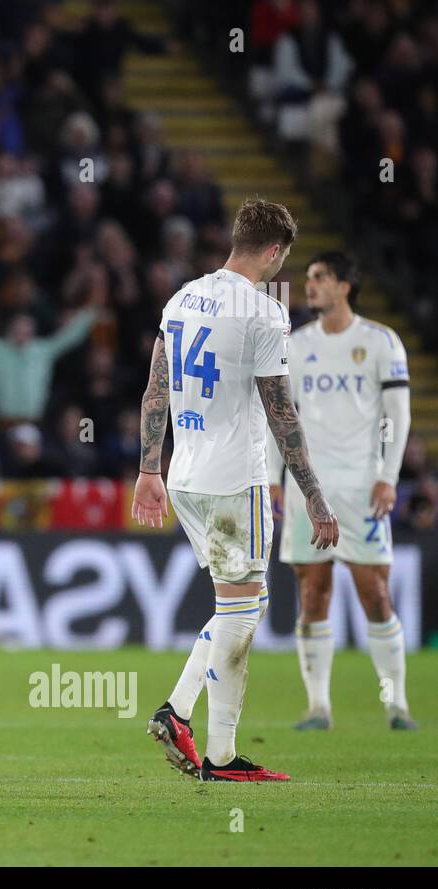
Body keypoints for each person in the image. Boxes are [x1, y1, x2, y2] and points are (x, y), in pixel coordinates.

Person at [137, 198, 338, 783]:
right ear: (274, 251)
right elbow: (282, 414)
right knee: (242, 608)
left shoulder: (182, 298)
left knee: (241, 605)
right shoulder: (264, 313)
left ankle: (194, 728)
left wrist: (149, 469)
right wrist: (313, 495)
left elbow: (156, 391)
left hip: (185, 476)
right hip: (233, 478)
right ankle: (208, 744)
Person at [270, 251, 417, 730]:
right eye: (309, 277)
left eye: (320, 277)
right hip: (307, 489)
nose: (310, 285)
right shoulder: (296, 344)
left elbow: (397, 417)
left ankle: (396, 705)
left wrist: (388, 475)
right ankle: (318, 708)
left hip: (361, 487)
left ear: (344, 286)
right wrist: (273, 475)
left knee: (376, 594)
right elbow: (281, 417)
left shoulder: (380, 342)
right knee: (312, 592)